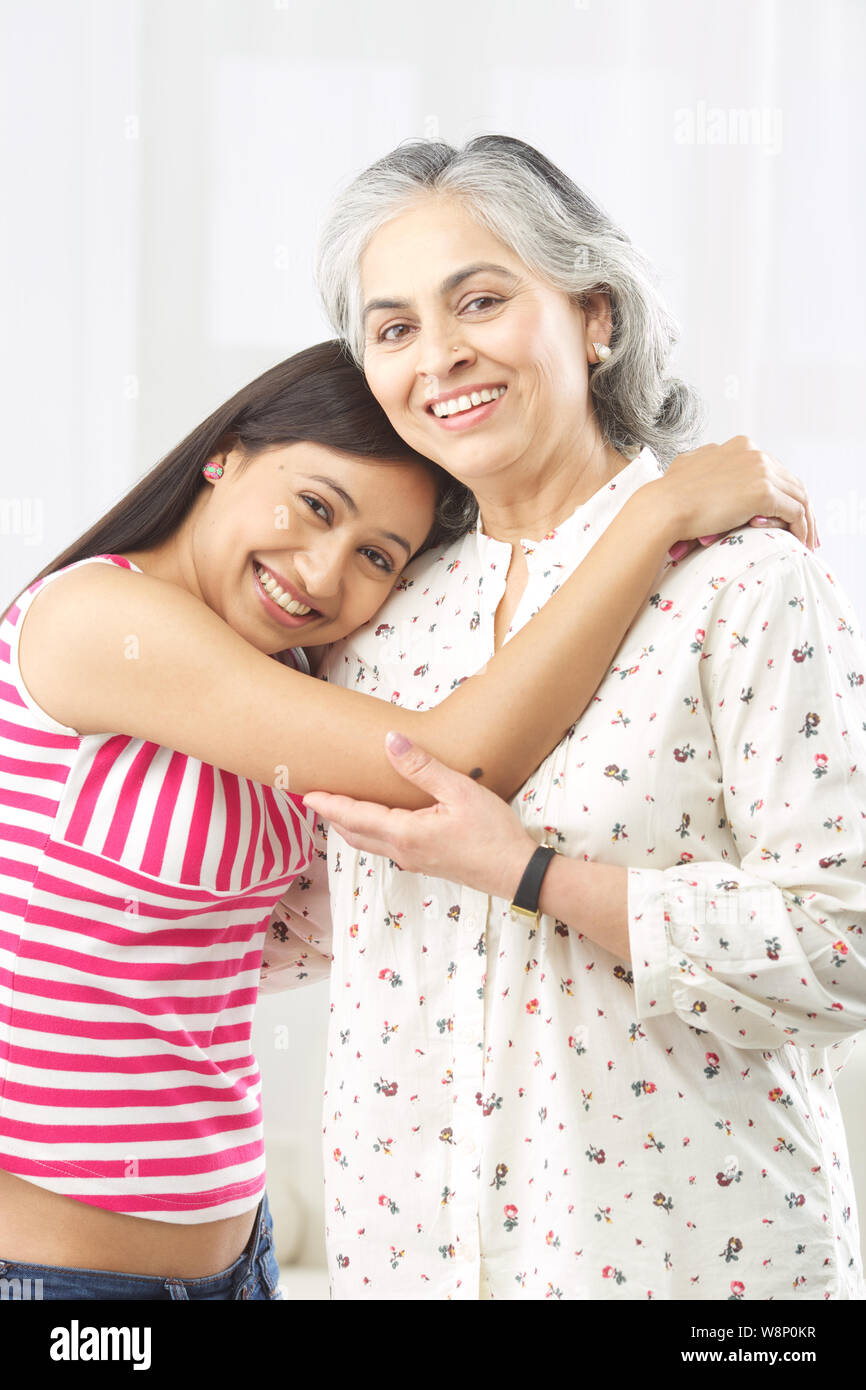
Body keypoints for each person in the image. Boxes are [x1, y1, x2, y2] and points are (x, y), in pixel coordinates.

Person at [0, 341, 801, 1301]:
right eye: (316, 506)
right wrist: (656, 517)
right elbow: (447, 763)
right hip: (63, 1282)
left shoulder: (288, 675)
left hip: (237, 1261)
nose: (322, 572)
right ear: (228, 453)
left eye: (376, 556)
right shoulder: (96, 616)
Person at [264, 134, 865, 1301]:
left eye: (478, 300)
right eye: (391, 330)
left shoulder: (742, 581)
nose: (438, 358)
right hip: (408, 1264)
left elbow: (846, 939)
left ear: (596, 317)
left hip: (698, 1272)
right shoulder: (377, 622)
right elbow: (301, 921)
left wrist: (535, 874)